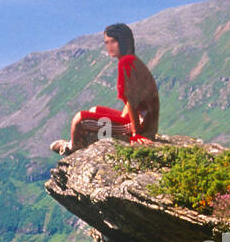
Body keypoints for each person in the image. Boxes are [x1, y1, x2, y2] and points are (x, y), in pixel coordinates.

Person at [50, 23, 160, 154]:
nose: (109, 46)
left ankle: (71, 148)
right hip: (143, 121)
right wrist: (121, 119)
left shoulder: (127, 63)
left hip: (141, 126)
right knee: (94, 110)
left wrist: (136, 133)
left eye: (113, 41)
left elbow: (132, 100)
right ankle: (89, 139)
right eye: (107, 42)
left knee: (79, 119)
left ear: (124, 42)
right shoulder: (131, 61)